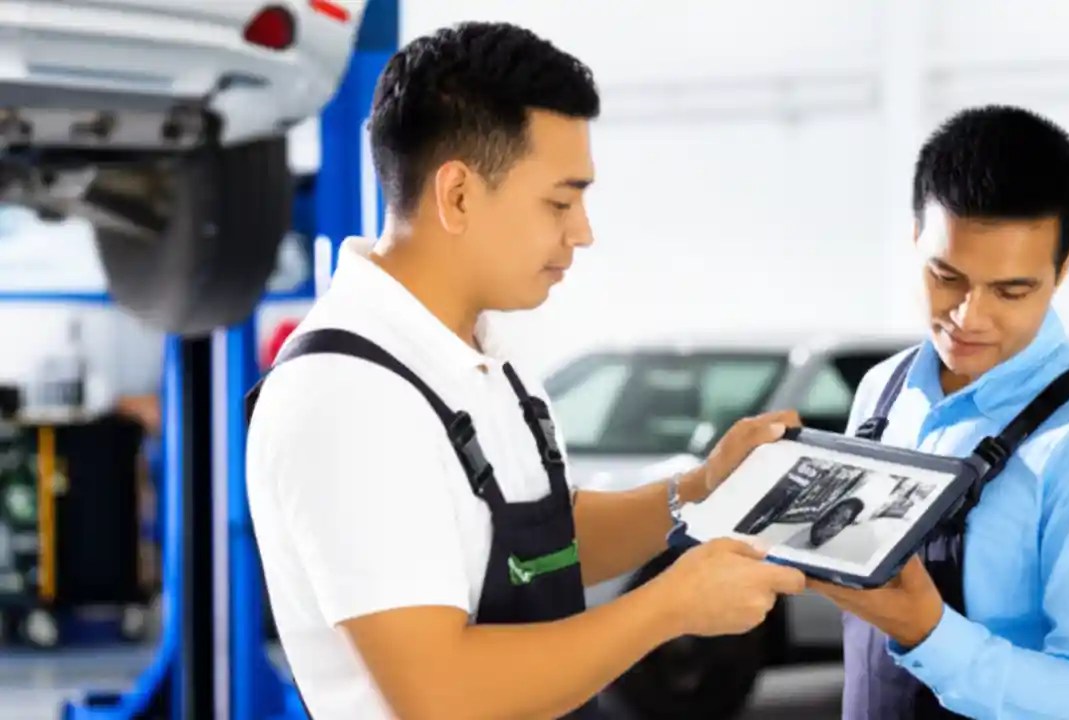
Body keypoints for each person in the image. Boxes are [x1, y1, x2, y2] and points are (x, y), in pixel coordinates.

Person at [243, 22, 806, 720]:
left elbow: (545, 544)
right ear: (457, 195)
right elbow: (440, 693)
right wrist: (671, 605)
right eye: (560, 202)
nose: (583, 232)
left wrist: (703, 489)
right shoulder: (348, 396)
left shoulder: (487, 360)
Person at [808, 105, 1069, 719]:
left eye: (1011, 291)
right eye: (945, 277)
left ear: (1066, 263)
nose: (969, 317)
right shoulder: (881, 392)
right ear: (914, 237)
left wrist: (931, 633)